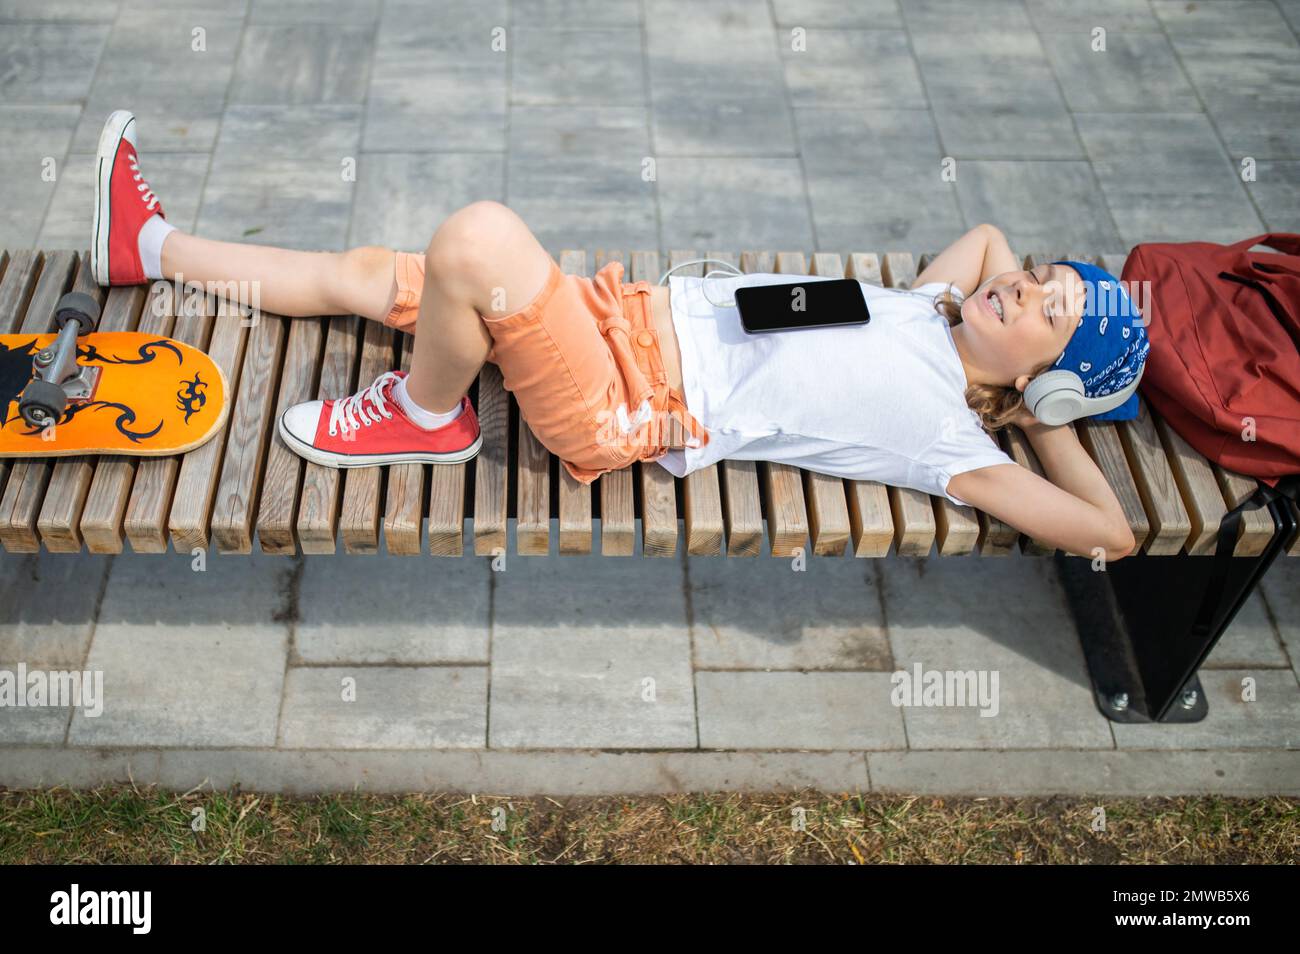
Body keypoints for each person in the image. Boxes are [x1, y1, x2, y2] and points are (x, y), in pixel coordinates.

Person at [92, 110, 1144, 560]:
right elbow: (990, 238)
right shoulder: (930, 306)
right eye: (1039, 279)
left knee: (478, 239)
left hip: (621, 402)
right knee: (371, 276)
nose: (1020, 286)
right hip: (618, 317)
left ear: (1046, 383)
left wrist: (1045, 417)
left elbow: (1111, 537)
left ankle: (420, 417)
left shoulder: (949, 441)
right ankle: (154, 247)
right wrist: (1023, 310)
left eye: (1046, 312)